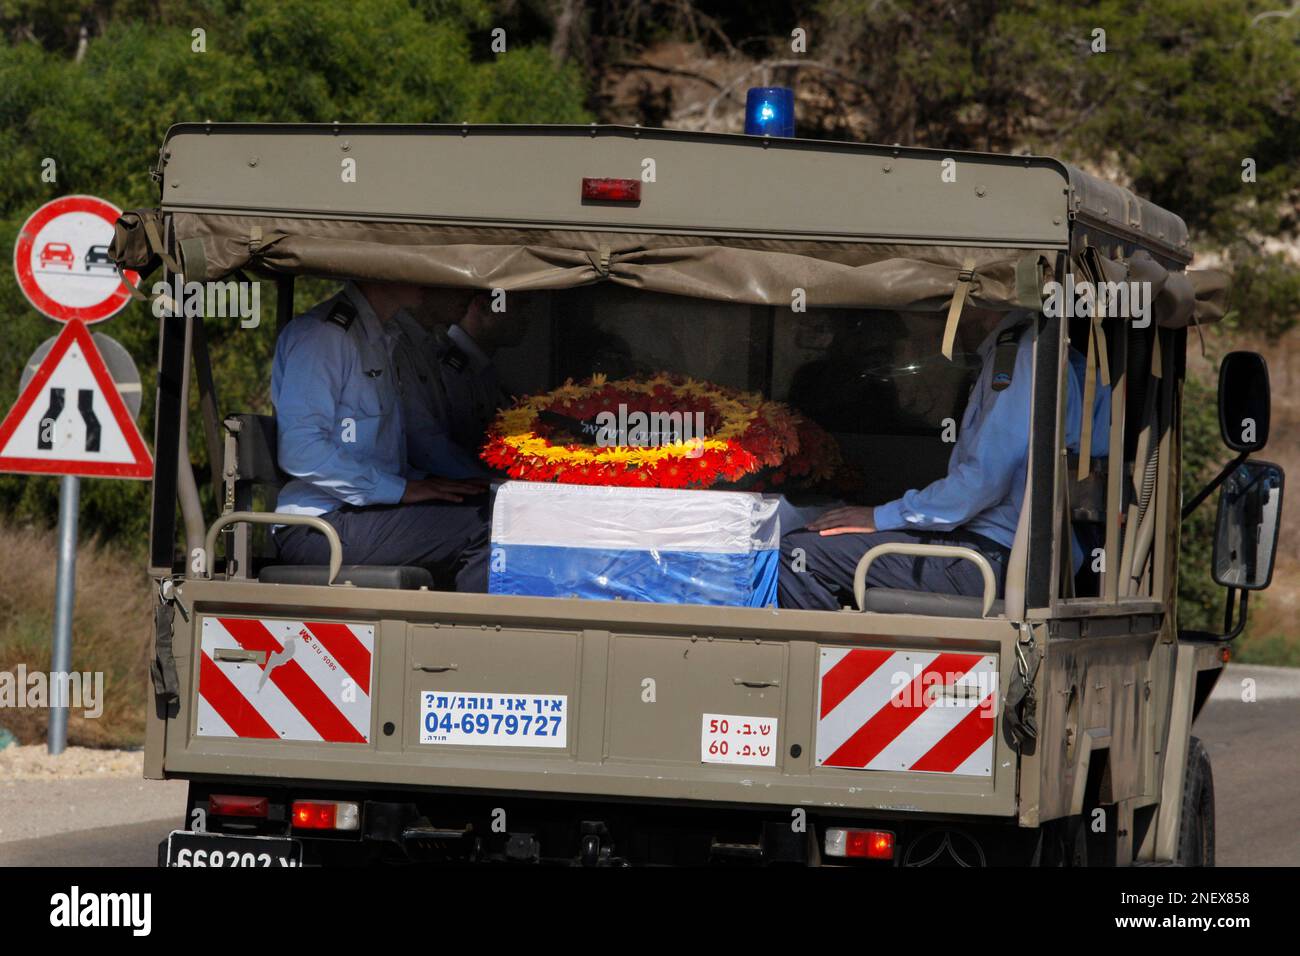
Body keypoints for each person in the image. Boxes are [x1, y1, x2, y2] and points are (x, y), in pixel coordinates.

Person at [778, 311, 1109, 611]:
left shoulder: (1019, 354)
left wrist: (880, 517)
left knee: (796, 554)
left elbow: (982, 482)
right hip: (1024, 555)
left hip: (993, 555)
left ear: (978, 311)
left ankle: (834, 668)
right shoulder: (1047, 352)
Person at [271, 280, 491, 591]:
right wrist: (401, 489)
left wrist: (429, 484)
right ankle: (473, 638)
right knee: (486, 527)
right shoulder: (324, 335)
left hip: (361, 513)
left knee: (491, 508)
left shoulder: (379, 336)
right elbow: (301, 449)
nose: (431, 276)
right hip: (319, 525)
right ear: (380, 269)